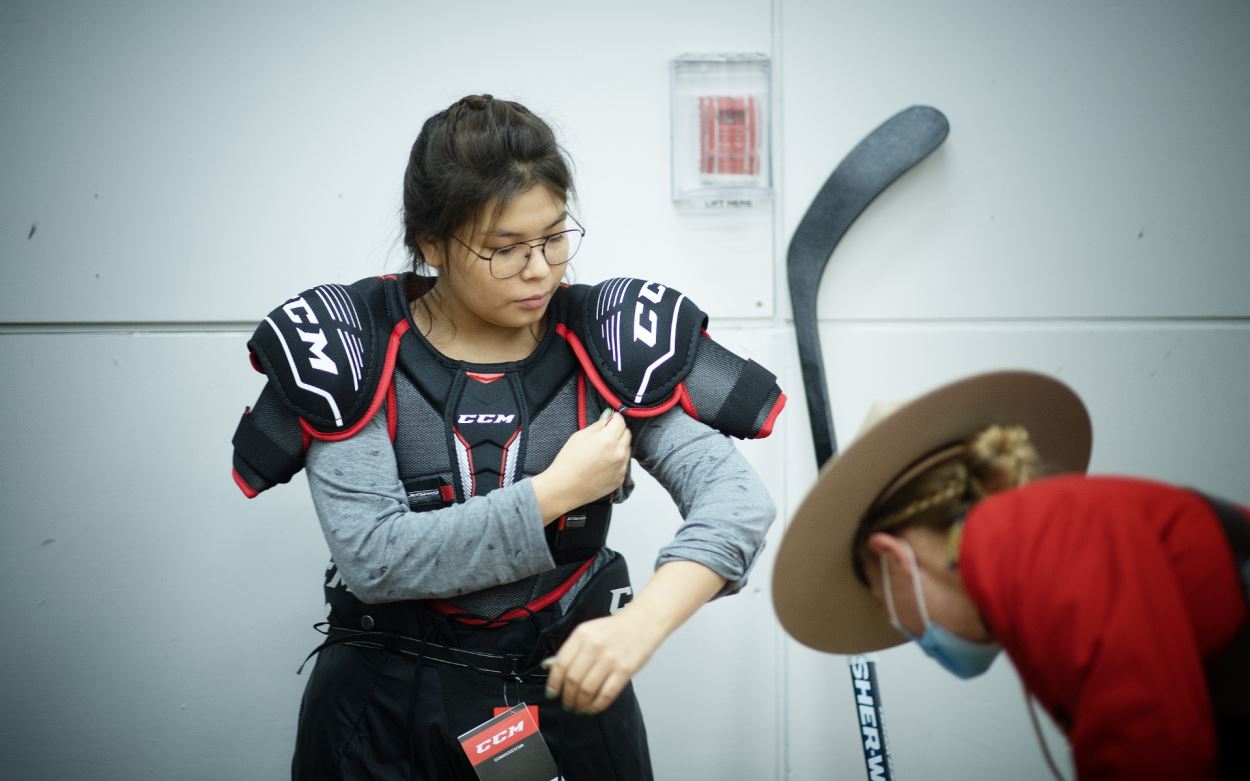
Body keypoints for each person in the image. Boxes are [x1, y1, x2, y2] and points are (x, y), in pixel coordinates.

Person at [229, 94, 784, 779]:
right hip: (384, 718)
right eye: (504, 249)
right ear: (431, 243)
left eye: (553, 237)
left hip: (562, 696)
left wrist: (640, 625)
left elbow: (737, 503)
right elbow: (373, 556)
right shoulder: (357, 348)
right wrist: (552, 494)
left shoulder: (605, 343)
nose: (540, 268)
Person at [772, 370, 1249, 780]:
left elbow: (1150, 751)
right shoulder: (1030, 547)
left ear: (894, 558)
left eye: (883, 602)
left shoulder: (1031, 542)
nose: (901, 626)